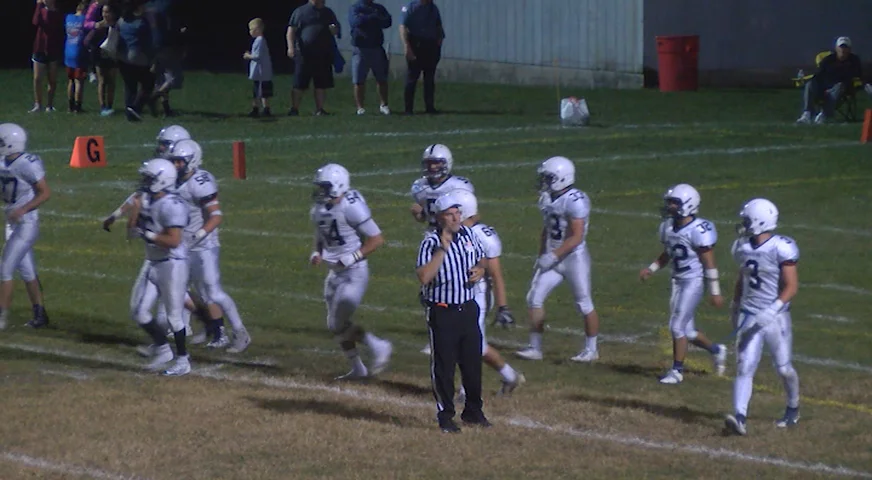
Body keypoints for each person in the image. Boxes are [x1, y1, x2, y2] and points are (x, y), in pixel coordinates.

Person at [724, 198, 801, 436]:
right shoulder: (742, 247)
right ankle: (739, 416)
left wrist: (772, 309)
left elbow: (791, 286)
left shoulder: (781, 247)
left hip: (775, 317)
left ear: (760, 221)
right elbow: (743, 277)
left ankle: (793, 408)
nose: (743, 224)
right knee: (745, 366)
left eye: (747, 220)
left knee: (784, 368)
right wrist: (735, 305)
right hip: (749, 314)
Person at [309, 163, 393, 379]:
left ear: (338, 186)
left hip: (354, 271)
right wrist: (316, 252)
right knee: (334, 324)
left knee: (338, 323)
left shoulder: (351, 206)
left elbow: (377, 238)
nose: (320, 191)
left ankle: (378, 346)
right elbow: (321, 234)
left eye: (325, 187)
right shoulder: (318, 208)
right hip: (334, 272)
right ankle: (358, 368)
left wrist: (354, 255)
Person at [166, 139, 251, 353]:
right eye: (174, 161)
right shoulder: (175, 180)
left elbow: (216, 216)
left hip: (204, 245)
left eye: (180, 161)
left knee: (214, 293)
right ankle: (212, 330)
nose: (176, 166)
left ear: (192, 161)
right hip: (185, 245)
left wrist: (198, 235)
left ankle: (240, 332)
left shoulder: (200, 181)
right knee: (191, 291)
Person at [515, 156, 601, 363]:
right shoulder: (547, 198)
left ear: (562, 178)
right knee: (533, 298)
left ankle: (591, 349)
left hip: (573, 257)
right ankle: (535, 348)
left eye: (548, 177)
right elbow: (546, 229)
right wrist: (541, 254)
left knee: (583, 303)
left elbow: (577, 236)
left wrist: (553, 255)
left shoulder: (575, 200)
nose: (544, 181)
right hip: (552, 256)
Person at [639, 184, 727, 385]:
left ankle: (677, 371)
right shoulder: (668, 227)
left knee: (676, 326)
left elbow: (709, 264)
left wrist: (715, 291)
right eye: (669, 202)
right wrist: (651, 269)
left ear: (688, 204)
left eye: (674, 203)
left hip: (693, 281)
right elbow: (668, 253)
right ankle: (717, 350)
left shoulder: (698, 229)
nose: (670, 206)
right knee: (687, 332)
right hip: (677, 281)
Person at [416, 192, 490, 433]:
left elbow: (483, 258)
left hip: (468, 308)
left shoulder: (468, 234)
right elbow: (424, 277)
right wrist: (442, 250)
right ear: (440, 218)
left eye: (458, 212)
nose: (457, 217)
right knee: (444, 367)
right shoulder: (430, 242)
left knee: (471, 364)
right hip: (443, 311)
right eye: (451, 214)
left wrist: (480, 269)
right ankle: (445, 415)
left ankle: (473, 410)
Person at [451, 189, 524, 399]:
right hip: (457, 292)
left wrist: (503, 306)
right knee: (474, 344)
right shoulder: (453, 232)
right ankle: (510, 376)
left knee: (467, 342)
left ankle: (466, 391)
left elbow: (496, 274)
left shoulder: (482, 236)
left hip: (477, 294)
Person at [408, 144, 474, 355]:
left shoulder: (459, 186)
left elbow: (472, 215)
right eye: (429, 163)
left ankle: (462, 335)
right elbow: (428, 217)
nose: (433, 167)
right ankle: (436, 336)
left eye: (437, 163)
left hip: (454, 240)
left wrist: (458, 233)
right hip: (433, 240)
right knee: (430, 292)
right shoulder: (420, 187)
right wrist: (419, 215)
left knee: (454, 289)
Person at [129, 158, 191, 376]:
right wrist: (135, 211)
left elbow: (173, 240)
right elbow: (131, 233)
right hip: (153, 261)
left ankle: (183, 361)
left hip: (172, 264)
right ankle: (163, 350)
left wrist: (147, 234)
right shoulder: (145, 200)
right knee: (139, 311)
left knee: (174, 316)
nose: (145, 181)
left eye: (149, 178)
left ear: (161, 180)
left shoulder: (172, 205)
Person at [0, 124, 51, 330]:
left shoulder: (27, 163)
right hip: (12, 221)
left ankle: (1, 317)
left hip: (26, 223)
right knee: (26, 269)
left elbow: (45, 192)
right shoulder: (4, 161)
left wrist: (24, 209)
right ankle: (40, 313)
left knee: (5, 269)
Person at [286, 0, 341, 116]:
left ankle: (320, 109)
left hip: (323, 53)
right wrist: (291, 47)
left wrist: (334, 29)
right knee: (299, 83)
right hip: (304, 53)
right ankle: (294, 109)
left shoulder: (328, 12)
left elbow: (336, 30)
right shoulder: (301, 11)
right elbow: (291, 30)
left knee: (321, 83)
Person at [797, 36, 863, 124]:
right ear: (836, 48)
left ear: (849, 49)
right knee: (810, 84)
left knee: (839, 86)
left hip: (843, 87)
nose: (843, 50)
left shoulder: (854, 60)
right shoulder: (828, 60)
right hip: (825, 85)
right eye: (841, 47)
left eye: (845, 47)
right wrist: (819, 89)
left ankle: (824, 114)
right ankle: (807, 114)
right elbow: (819, 74)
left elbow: (857, 75)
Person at [399, 0, 444, 114]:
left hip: (430, 45)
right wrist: (407, 46)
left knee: (429, 78)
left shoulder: (433, 8)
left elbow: (438, 25)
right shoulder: (410, 7)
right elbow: (403, 26)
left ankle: (429, 107)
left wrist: (439, 41)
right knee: (412, 77)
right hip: (416, 44)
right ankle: (408, 108)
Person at [348, 0, 392, 115]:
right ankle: (360, 107)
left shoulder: (379, 8)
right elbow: (356, 22)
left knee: (381, 78)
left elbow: (387, 21)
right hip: (360, 48)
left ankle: (384, 105)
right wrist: (373, 17)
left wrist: (368, 18)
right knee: (359, 80)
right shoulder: (355, 8)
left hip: (376, 47)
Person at [117, 0, 157, 121]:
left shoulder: (121, 21)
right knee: (148, 84)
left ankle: (129, 112)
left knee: (130, 87)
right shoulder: (141, 23)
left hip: (123, 58)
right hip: (139, 58)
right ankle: (136, 107)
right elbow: (148, 42)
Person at [84, 2, 119, 116]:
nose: (105, 14)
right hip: (100, 56)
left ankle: (110, 105)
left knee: (112, 82)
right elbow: (88, 42)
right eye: (103, 12)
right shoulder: (99, 26)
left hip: (112, 55)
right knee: (102, 81)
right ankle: (103, 107)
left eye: (107, 12)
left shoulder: (117, 25)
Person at [31, 0, 65, 113]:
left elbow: (55, 26)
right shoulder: (41, 9)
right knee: (37, 78)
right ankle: (38, 104)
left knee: (52, 79)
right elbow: (36, 22)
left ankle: (49, 105)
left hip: (53, 47)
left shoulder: (57, 12)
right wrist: (38, 6)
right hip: (40, 47)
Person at [244, 18, 273, 118]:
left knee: (262, 92)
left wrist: (248, 56)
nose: (250, 32)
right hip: (259, 73)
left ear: (258, 29)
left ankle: (265, 109)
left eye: (251, 29)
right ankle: (256, 108)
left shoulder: (260, 41)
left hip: (262, 73)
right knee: (257, 91)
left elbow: (257, 56)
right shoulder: (258, 41)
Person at [64, 1, 89, 113]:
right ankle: (78, 107)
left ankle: (70, 105)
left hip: (68, 51)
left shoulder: (68, 17)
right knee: (79, 81)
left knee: (71, 80)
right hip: (79, 52)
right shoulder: (84, 20)